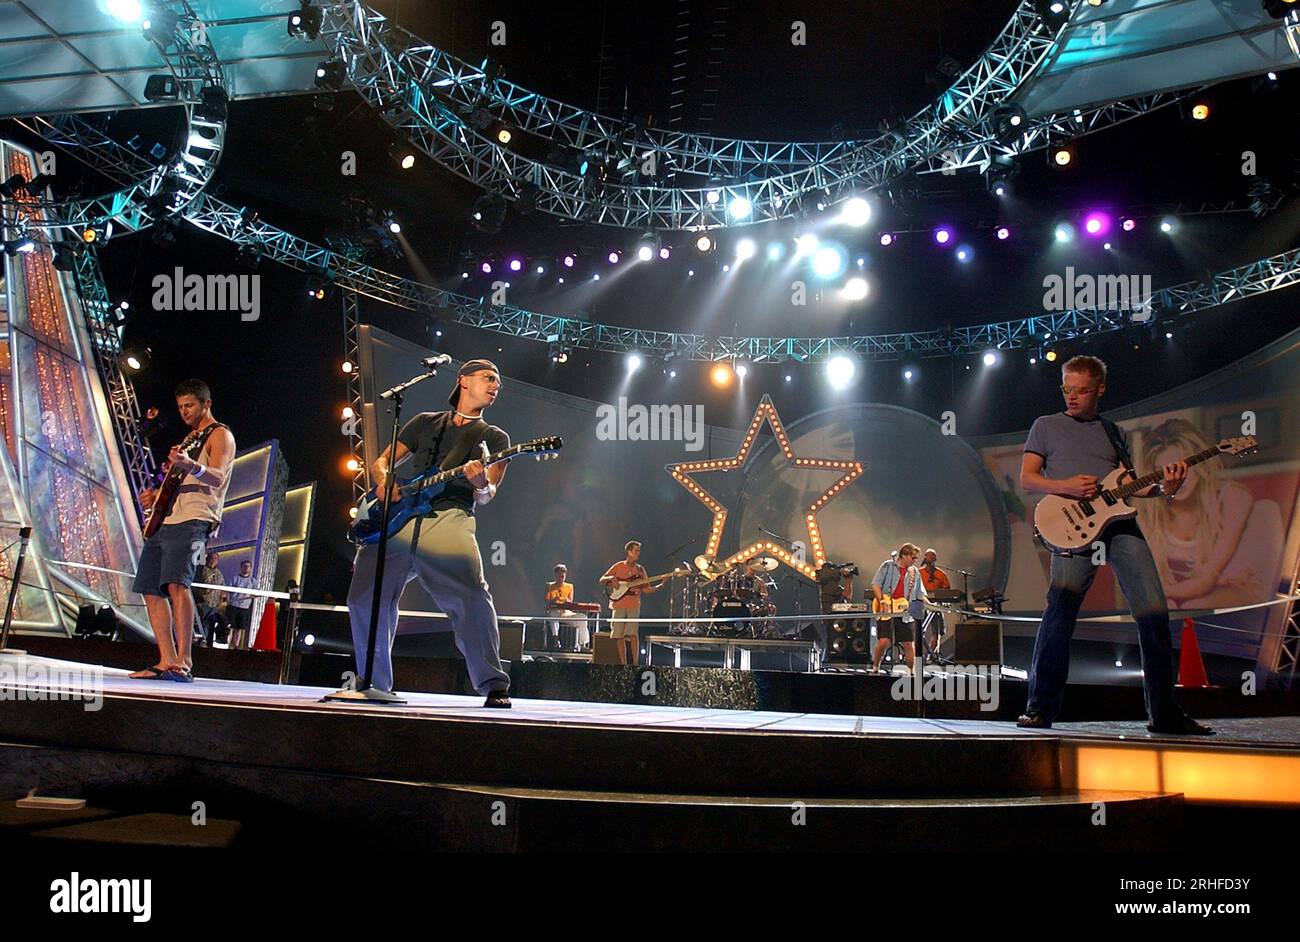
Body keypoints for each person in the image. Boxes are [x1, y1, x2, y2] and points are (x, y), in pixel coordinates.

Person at [1017, 355, 1211, 735]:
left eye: (1081, 390)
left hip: (1119, 526)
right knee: (1060, 612)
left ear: (1100, 389)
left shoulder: (1113, 432)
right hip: (1073, 527)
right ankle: (1040, 708)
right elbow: (1027, 479)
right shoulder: (1045, 425)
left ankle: (1164, 713)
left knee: (1154, 613)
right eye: (1066, 389)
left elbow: (1131, 488)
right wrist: (1066, 486)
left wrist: (1166, 489)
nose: (1072, 397)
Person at [346, 359, 513, 707]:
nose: (496, 385)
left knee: (470, 595)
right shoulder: (423, 422)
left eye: (498, 382)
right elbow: (382, 461)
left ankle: (493, 684)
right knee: (364, 596)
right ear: (463, 380)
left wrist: (480, 483)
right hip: (399, 520)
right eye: (489, 378)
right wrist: (383, 479)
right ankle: (374, 682)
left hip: (449, 516)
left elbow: (489, 492)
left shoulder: (494, 437)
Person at [129, 380, 235, 682]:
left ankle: (184, 661)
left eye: (190, 405)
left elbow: (217, 476)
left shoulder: (221, 435)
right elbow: (175, 482)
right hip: (165, 520)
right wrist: (155, 494)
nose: (184, 411)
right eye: (180, 407)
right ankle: (165, 659)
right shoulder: (189, 439)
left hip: (194, 518)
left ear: (206, 404)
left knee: (178, 584)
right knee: (150, 589)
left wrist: (191, 465)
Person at [1135, 417, 1283, 609]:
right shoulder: (1147, 512)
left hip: (1240, 588)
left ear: (1199, 464)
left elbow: (1203, 583)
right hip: (1187, 597)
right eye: (1162, 472)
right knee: (1169, 607)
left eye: (1182, 467)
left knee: (1190, 605)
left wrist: (1154, 592)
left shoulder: (1232, 497)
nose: (1175, 478)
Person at [599, 541, 664, 665]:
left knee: (633, 634)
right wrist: (611, 578)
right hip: (618, 604)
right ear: (629, 552)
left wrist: (660, 586)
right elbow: (602, 579)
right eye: (636, 551)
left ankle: (635, 664)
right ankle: (623, 664)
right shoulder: (618, 566)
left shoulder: (640, 569)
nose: (638, 554)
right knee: (619, 635)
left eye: (639, 551)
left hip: (633, 604)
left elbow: (646, 589)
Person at [869, 543, 928, 673]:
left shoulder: (915, 572)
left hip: (905, 612)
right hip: (887, 609)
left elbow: (920, 593)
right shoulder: (888, 566)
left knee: (908, 643)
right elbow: (876, 584)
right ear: (904, 556)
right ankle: (875, 668)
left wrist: (930, 604)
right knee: (884, 642)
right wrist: (882, 600)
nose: (915, 561)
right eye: (913, 558)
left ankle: (911, 672)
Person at [544, 564, 587, 651]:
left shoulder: (569, 586)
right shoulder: (549, 586)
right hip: (554, 611)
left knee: (582, 618)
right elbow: (546, 601)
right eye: (558, 576)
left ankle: (582, 644)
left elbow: (570, 601)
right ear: (555, 576)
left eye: (562, 576)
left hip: (566, 612)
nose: (560, 579)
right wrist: (553, 600)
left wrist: (567, 601)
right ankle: (556, 640)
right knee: (552, 616)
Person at [918, 548, 951, 657]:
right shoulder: (919, 573)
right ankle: (917, 654)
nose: (930, 559)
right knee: (918, 629)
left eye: (933, 557)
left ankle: (930, 655)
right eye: (929, 557)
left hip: (936, 605)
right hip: (921, 604)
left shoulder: (941, 574)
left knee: (936, 632)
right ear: (925, 558)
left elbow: (947, 590)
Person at [195, 551, 228, 647]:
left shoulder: (219, 573)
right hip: (203, 602)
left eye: (215, 558)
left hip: (214, 604)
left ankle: (208, 643)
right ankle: (200, 641)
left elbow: (222, 587)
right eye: (211, 558)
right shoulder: (201, 570)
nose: (213, 560)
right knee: (202, 623)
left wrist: (221, 601)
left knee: (211, 623)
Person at [227, 559, 255, 648]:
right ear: (241, 568)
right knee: (230, 627)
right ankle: (227, 645)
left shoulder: (253, 581)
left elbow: (256, 593)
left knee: (239, 628)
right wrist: (228, 601)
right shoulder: (235, 578)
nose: (246, 568)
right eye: (245, 566)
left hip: (244, 607)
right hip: (233, 606)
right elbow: (228, 591)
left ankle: (235, 646)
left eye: (248, 566)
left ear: (250, 568)